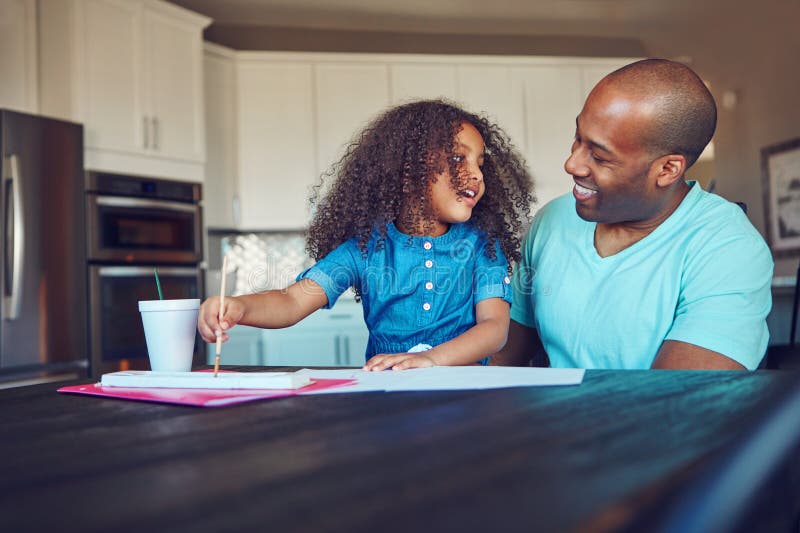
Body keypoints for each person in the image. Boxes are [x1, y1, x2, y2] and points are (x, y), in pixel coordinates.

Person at [198, 99, 533, 371]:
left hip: (468, 398)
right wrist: (239, 307)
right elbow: (292, 300)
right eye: (459, 158)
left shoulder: (482, 246)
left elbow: (494, 329)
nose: (476, 174)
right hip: (390, 399)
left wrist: (431, 360)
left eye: (480, 163)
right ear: (408, 173)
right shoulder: (365, 249)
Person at [491, 58, 773, 371]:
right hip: (548, 417)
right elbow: (501, 359)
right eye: (578, 138)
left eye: (599, 156)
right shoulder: (551, 221)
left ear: (667, 169)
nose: (572, 164)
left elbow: (679, 399)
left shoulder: (728, 249)